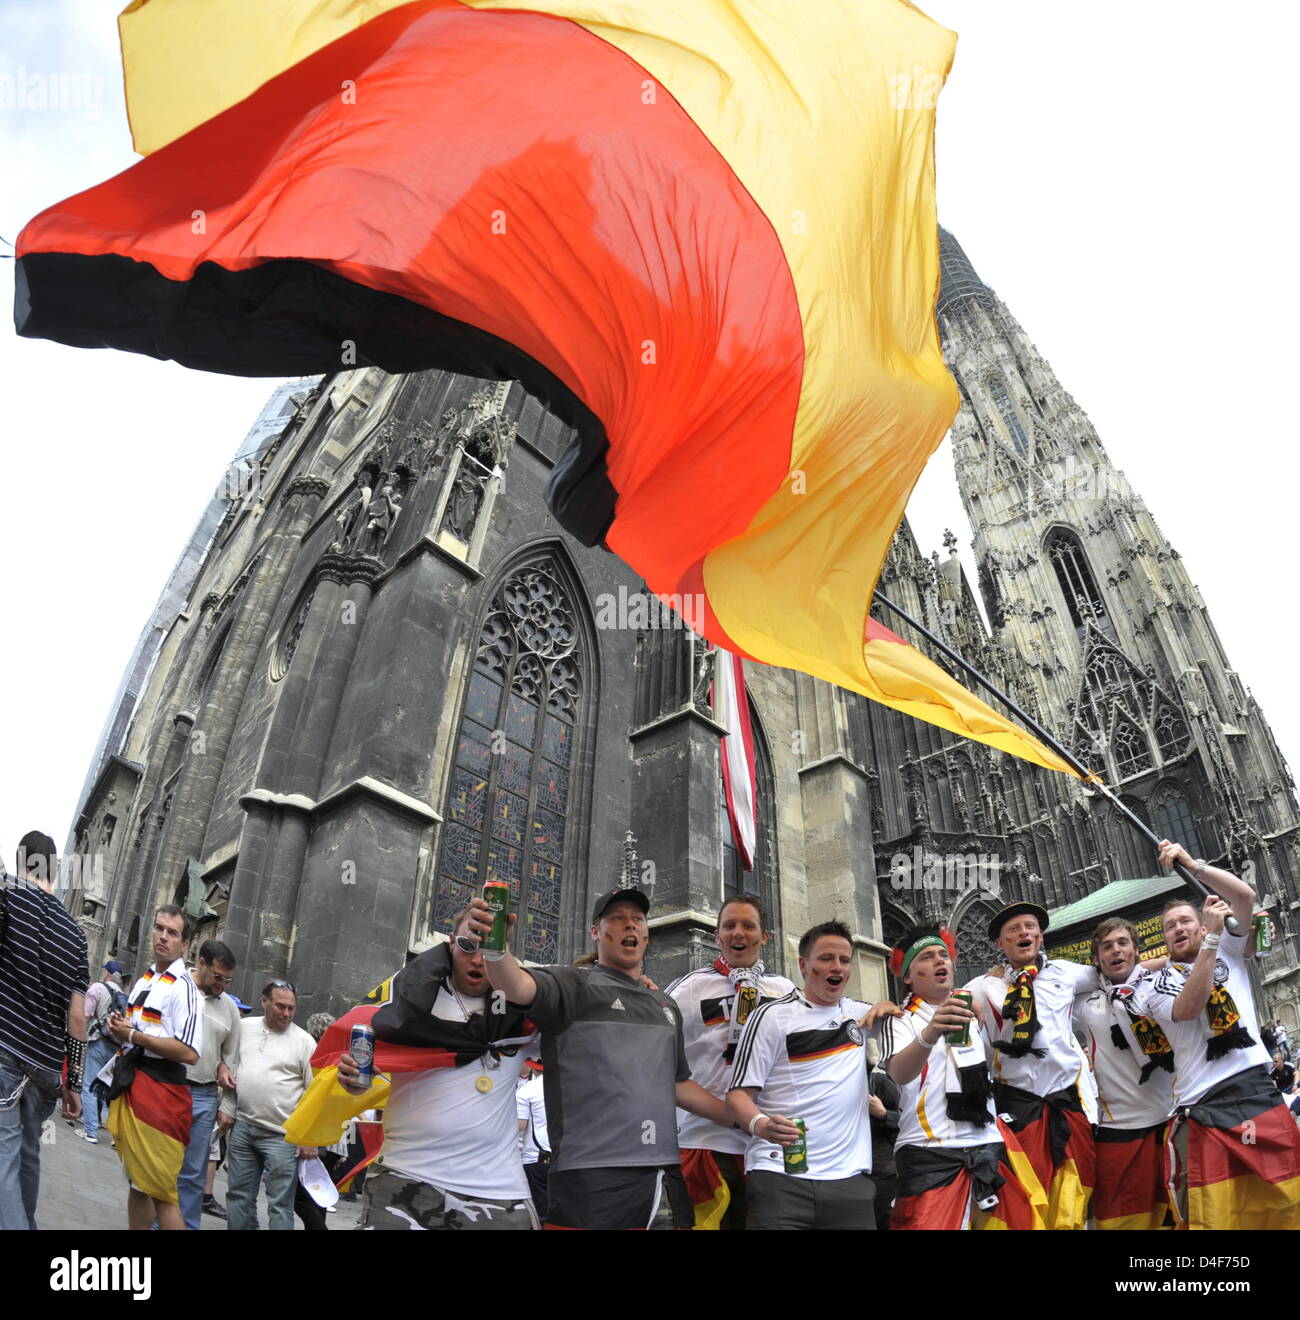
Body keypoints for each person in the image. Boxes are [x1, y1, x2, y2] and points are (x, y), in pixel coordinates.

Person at [469, 884, 734, 1229]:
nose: (630, 925)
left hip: (663, 1175)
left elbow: (677, 1084)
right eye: (617, 918)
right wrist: (494, 947)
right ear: (596, 932)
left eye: (637, 919)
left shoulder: (665, 1005)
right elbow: (515, 986)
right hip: (591, 1178)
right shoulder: (571, 985)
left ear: (646, 934)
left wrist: (745, 1119)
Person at [316, 909, 540, 1230]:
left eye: (489, 949)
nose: (477, 959)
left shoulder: (523, 1015)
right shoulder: (405, 1003)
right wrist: (353, 1080)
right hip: (404, 1178)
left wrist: (628, 993)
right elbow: (364, 1070)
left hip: (497, 1193)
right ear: (450, 943)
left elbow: (584, 1032)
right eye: (467, 945)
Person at [1134, 839, 1300, 1229]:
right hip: (1202, 1106)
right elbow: (1191, 1007)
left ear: (1201, 921)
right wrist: (1208, 939)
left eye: (1185, 921)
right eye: (1169, 927)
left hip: (1253, 1090)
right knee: (1216, 1217)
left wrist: (1194, 865)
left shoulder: (1229, 947)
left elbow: (1245, 894)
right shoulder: (1156, 984)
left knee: (1287, 1196)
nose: (1178, 929)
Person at [726, 919, 898, 1230]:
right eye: (826, 958)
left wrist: (893, 1008)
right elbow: (738, 1095)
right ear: (804, 965)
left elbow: (916, 1036)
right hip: (780, 1178)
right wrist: (760, 1124)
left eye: (844, 960)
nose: (837, 967)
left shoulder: (863, 1015)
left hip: (850, 1184)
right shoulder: (770, 1016)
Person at [879, 925, 1044, 1230]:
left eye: (943, 955)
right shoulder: (900, 1019)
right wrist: (931, 1032)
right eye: (926, 958)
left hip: (988, 1146)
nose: (939, 961)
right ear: (908, 977)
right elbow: (900, 1073)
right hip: (929, 1152)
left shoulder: (972, 1007)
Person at [664, 893, 796, 1229]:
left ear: (764, 937)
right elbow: (658, 1063)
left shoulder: (785, 991)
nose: (738, 932)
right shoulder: (687, 991)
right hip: (706, 1145)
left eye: (748, 925)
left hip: (772, 1148)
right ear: (717, 936)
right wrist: (730, 1115)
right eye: (729, 926)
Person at [965, 902, 1100, 1230]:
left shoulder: (1067, 973)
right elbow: (938, 999)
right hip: (1019, 1106)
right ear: (1000, 943)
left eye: (1029, 927)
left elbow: (1118, 971)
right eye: (1013, 929)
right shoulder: (984, 985)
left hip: (1068, 1102)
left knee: (1075, 1197)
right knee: (1028, 1196)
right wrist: (887, 1007)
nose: (1023, 933)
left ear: (1040, 935)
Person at [0, 831, 90, 1230]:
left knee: (3, 1161)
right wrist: (74, 1082)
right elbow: (78, 1018)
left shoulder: (9, 895)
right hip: (47, 1070)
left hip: (6, 1053)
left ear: (23, 861)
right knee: (27, 1157)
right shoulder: (76, 934)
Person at [103, 904, 202, 1230]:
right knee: (136, 1181)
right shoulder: (148, 978)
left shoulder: (183, 986)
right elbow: (138, 1033)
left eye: (172, 932)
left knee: (162, 1193)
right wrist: (122, 1027)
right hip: (136, 1083)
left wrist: (133, 1034)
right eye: (159, 928)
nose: (163, 936)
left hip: (162, 1094)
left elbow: (189, 1052)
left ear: (185, 943)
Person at [1073, 916, 1174, 1230]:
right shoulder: (1081, 1005)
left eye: (1122, 943)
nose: (1115, 951)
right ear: (1096, 959)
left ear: (1136, 950)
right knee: (1121, 1223)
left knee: (1191, 1215)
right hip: (1121, 1131)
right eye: (1107, 946)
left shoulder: (1163, 986)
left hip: (1174, 1120)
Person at [221, 979, 315, 1230]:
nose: (286, 1013)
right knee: (238, 1196)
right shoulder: (244, 1027)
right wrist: (227, 1109)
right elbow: (232, 1068)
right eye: (280, 1006)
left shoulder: (305, 1042)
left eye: (291, 1008)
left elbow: (314, 1092)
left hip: (282, 1137)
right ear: (264, 1002)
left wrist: (307, 1136)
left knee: (280, 1205)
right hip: (243, 1128)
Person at [178, 940, 240, 1231]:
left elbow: (231, 1060)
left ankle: (188, 1226)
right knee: (161, 1166)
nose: (222, 985)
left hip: (204, 1095)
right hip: (170, 1087)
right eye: (218, 977)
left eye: (227, 979)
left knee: (193, 1173)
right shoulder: (177, 988)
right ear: (200, 963)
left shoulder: (229, 1009)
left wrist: (227, 1106)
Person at [81, 960, 127, 1144]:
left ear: (107, 974)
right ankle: (114, 1134)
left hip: (98, 1041)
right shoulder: (125, 996)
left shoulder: (97, 988)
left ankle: (91, 1130)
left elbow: (85, 1014)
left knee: (90, 1085)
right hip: (115, 1046)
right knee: (108, 1088)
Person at [517, 1059, 550, 1220]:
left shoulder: (527, 1090)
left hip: (537, 1159)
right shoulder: (570, 1086)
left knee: (540, 1215)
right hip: (568, 1157)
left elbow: (519, 1126)